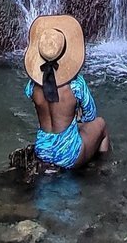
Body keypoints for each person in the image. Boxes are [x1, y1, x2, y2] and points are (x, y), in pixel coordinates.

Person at [24, 13, 110, 171]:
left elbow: (38, 99)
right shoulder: (76, 85)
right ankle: (102, 172)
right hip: (69, 155)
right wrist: (74, 115)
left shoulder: (33, 85)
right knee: (100, 124)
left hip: (42, 150)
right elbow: (90, 115)